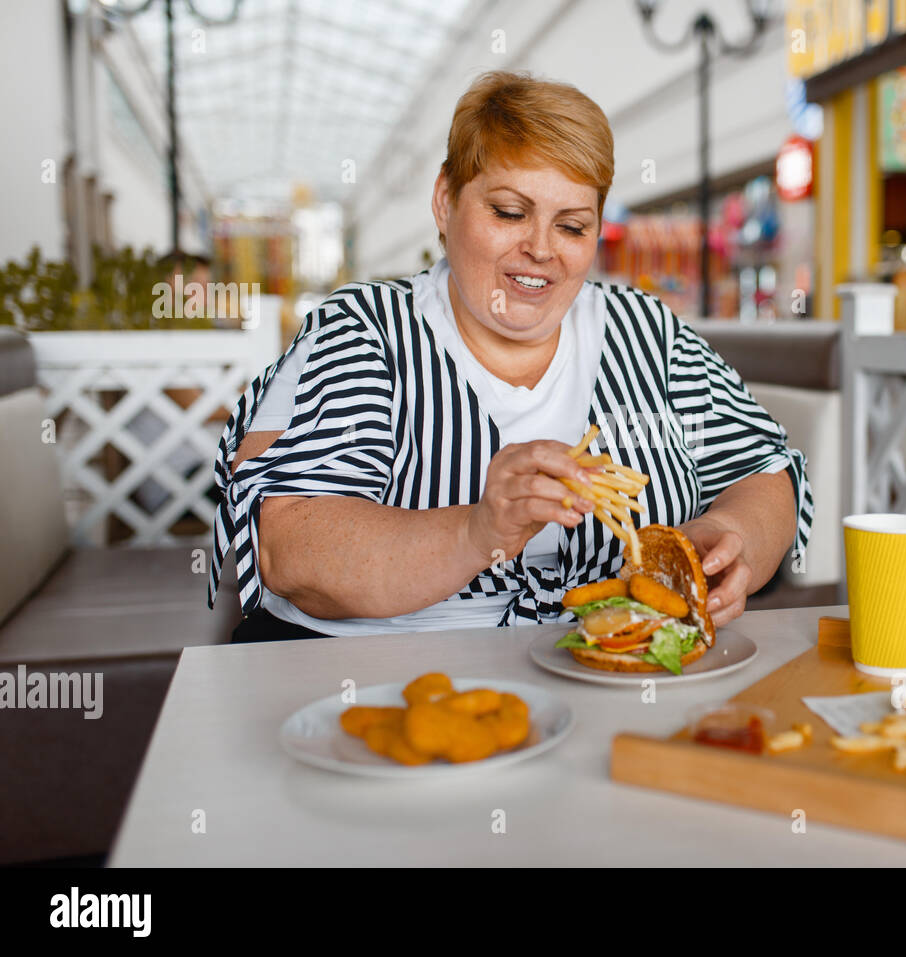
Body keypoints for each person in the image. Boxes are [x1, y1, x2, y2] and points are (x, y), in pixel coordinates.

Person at [208, 71, 813, 641]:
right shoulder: (363, 332)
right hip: (368, 676)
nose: (541, 250)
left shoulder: (648, 332)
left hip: (611, 671)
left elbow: (764, 471)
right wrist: (478, 532)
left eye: (572, 226)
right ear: (446, 201)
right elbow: (288, 546)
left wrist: (730, 538)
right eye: (509, 212)